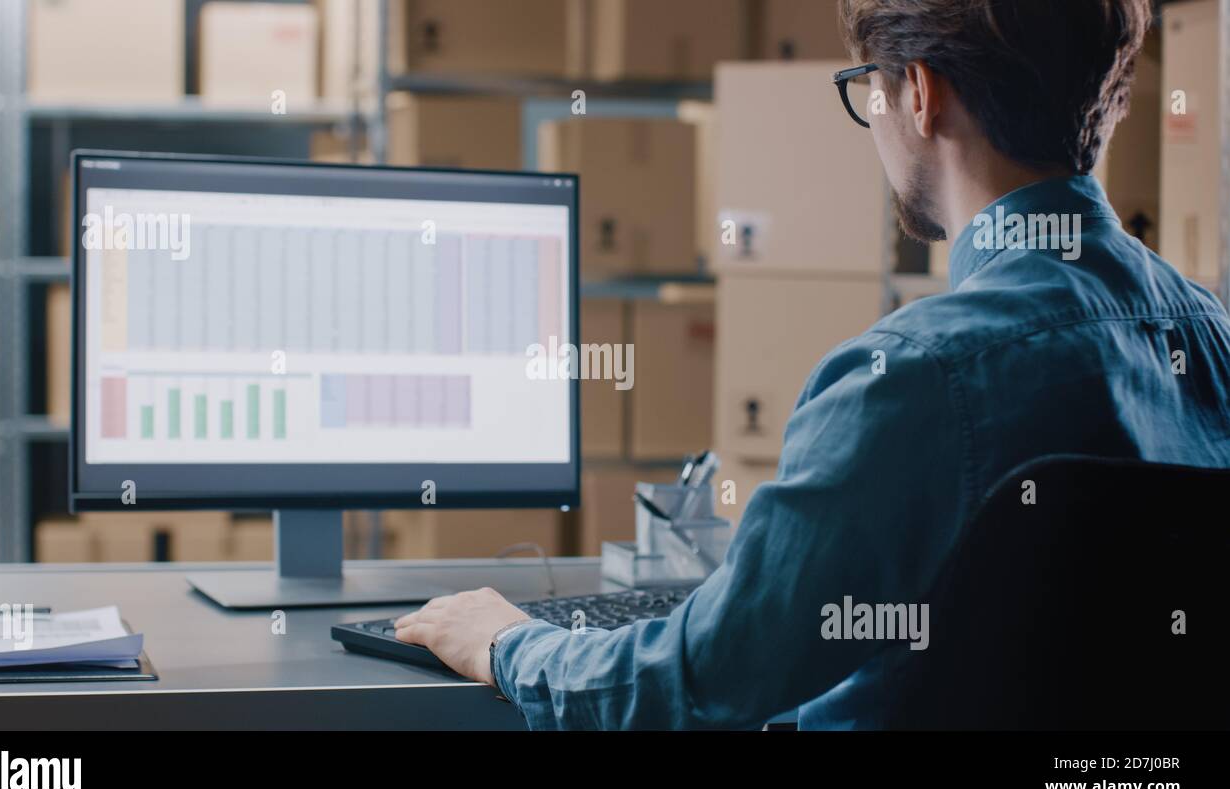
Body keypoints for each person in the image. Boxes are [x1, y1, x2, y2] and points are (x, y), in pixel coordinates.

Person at [394, 0, 1230, 729]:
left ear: (922, 93)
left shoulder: (909, 376)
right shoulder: (1214, 338)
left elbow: (701, 682)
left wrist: (510, 644)